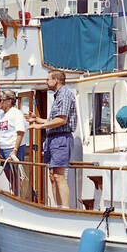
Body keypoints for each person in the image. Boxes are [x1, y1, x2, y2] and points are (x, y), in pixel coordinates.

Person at [30, 68, 80, 208]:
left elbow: (62, 120)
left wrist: (41, 126)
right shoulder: (58, 96)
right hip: (54, 138)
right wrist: (37, 119)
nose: (46, 82)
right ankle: (58, 208)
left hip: (60, 138)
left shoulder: (64, 95)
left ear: (56, 80)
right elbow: (54, 120)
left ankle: (64, 209)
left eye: (48, 79)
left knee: (58, 176)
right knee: (52, 175)